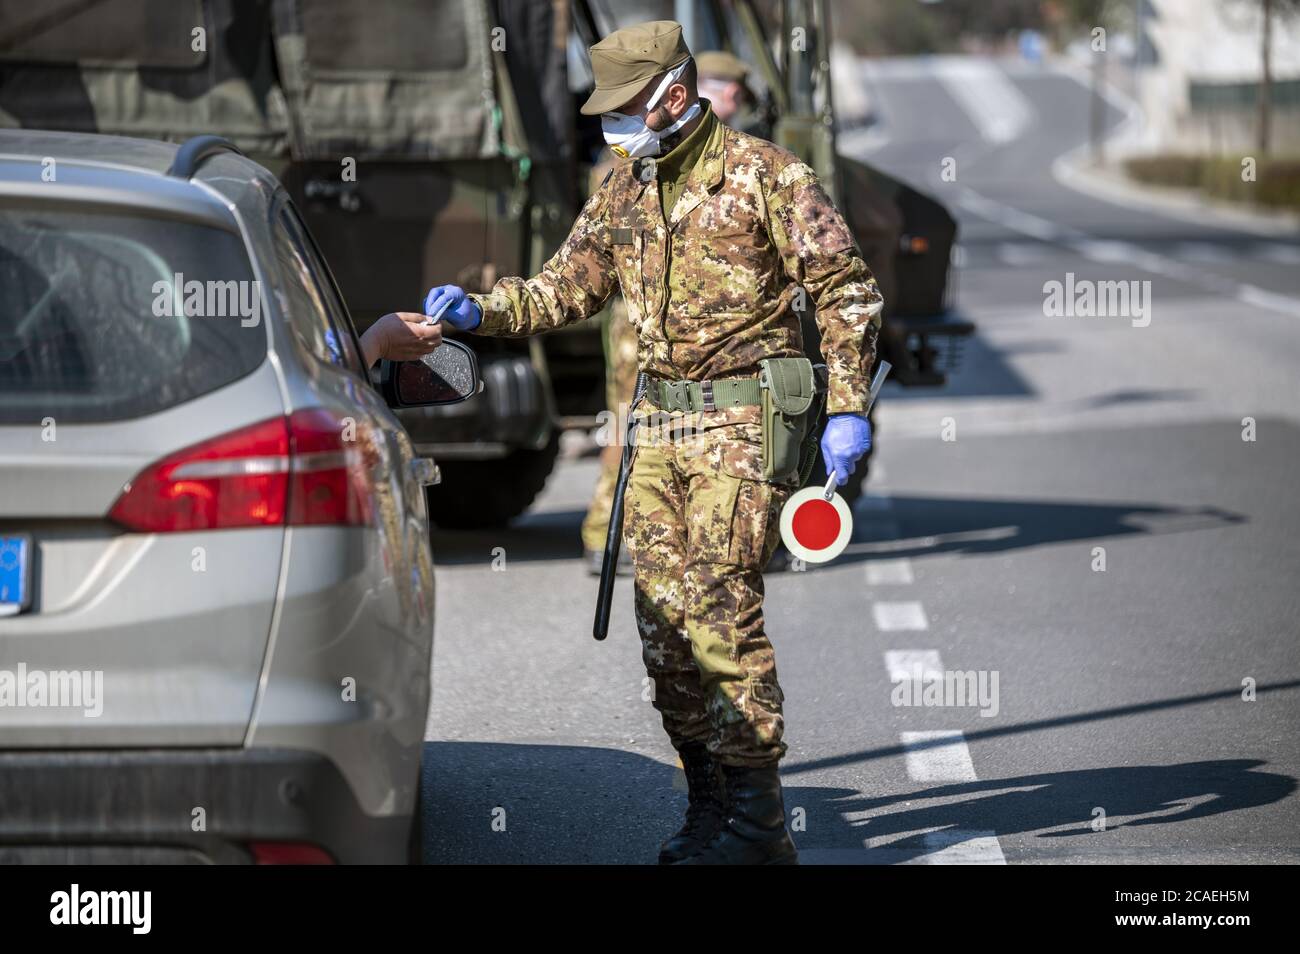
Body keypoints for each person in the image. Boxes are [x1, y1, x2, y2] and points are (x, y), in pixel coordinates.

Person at [421, 20, 882, 865]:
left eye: (623, 109)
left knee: (718, 612)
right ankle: (708, 805)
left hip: (743, 427)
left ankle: (759, 826)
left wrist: (848, 406)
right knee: (663, 629)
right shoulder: (624, 188)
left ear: (672, 94)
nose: (612, 126)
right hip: (659, 425)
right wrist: (480, 312)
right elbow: (569, 287)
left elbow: (846, 293)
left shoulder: (766, 176)